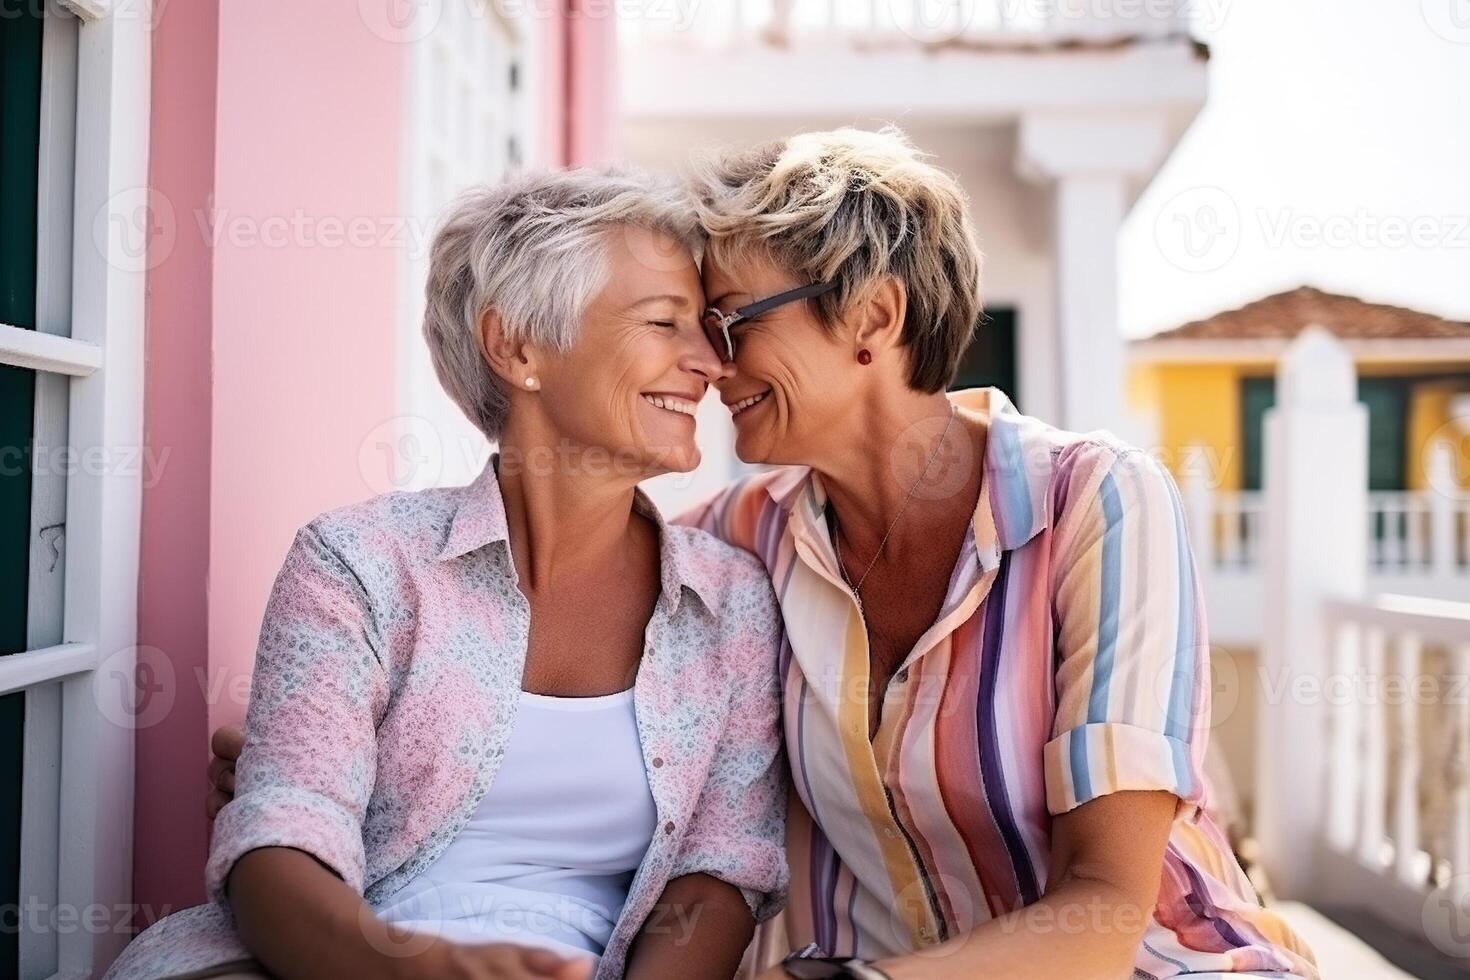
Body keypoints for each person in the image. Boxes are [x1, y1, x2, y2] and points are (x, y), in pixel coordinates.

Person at [207, 128, 1321, 979]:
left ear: (873, 320)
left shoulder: (1094, 501)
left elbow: (1104, 907)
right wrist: (306, 761)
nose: (711, 360)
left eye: (732, 319)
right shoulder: (739, 549)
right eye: (687, 321)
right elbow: (520, 606)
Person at [107, 168, 788, 980]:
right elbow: (279, 832)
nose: (711, 361)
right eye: (664, 323)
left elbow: (718, 872)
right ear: (516, 347)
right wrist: (414, 971)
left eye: (707, 329)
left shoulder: (731, 602)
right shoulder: (358, 562)